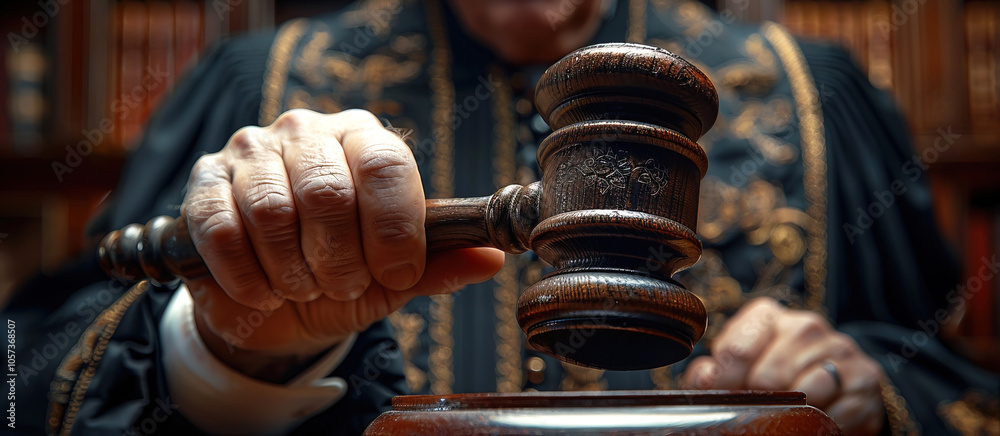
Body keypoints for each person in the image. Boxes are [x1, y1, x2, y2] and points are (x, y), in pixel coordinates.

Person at [5, 0, 997, 435]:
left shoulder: (811, 91)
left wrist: (862, 392)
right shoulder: (256, 83)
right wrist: (225, 356)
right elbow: (28, 374)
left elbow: (956, 381)